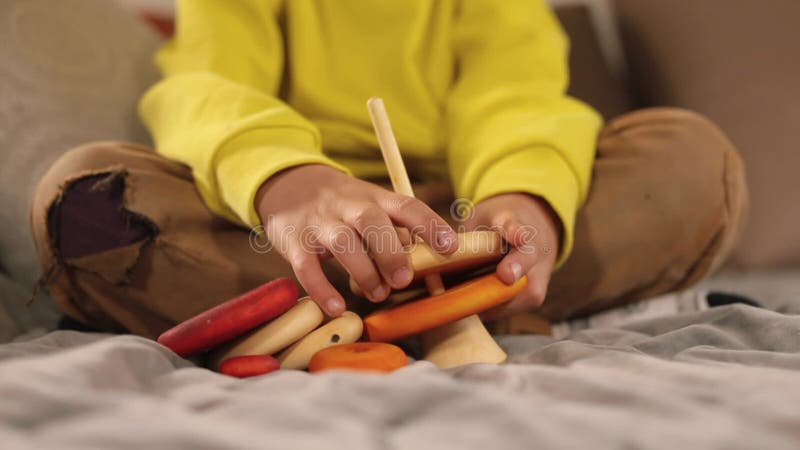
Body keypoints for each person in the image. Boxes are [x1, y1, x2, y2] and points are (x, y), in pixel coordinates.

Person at [30, 0, 747, 338]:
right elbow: (206, 88)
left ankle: (338, 316)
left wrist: (523, 198)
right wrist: (289, 182)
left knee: (693, 163)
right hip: (295, 233)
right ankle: (462, 307)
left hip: (457, 219)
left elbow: (517, 98)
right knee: (87, 197)